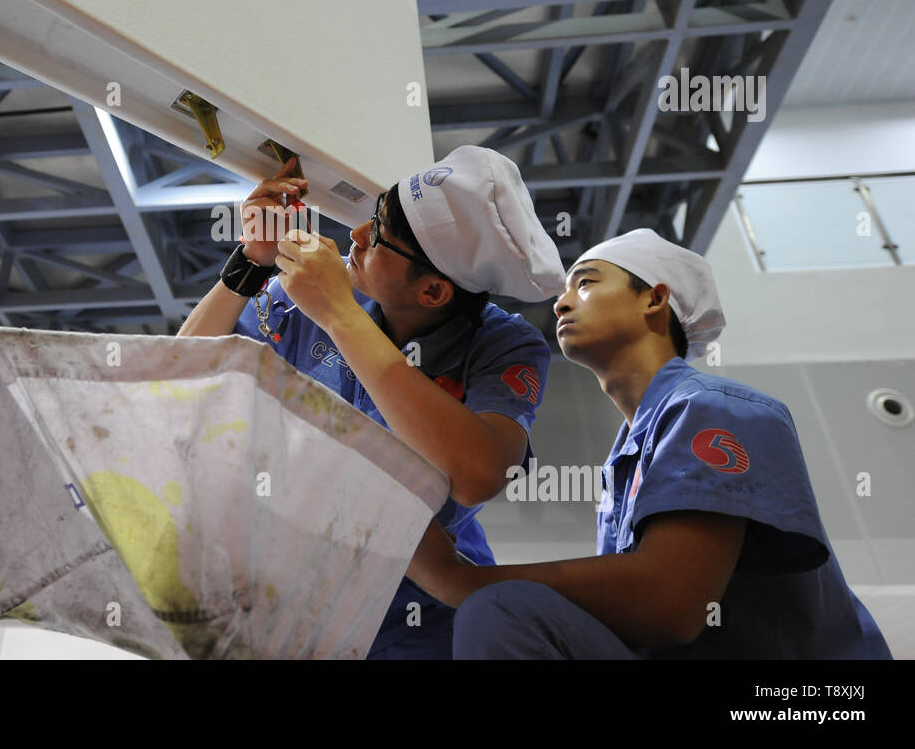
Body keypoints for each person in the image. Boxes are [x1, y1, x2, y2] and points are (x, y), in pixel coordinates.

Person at [406, 228, 892, 659]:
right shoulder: (629, 456)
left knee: (502, 612)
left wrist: (459, 578)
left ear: (654, 299)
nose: (561, 301)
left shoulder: (715, 407)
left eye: (588, 282)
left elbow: (671, 604)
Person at [178, 145, 565, 659]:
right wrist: (250, 260)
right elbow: (182, 375)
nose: (356, 236)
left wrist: (340, 316)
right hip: (288, 599)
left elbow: (479, 472)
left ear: (432, 293)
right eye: (372, 217)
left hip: (417, 619)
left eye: (380, 236)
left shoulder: (503, 346)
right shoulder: (324, 289)